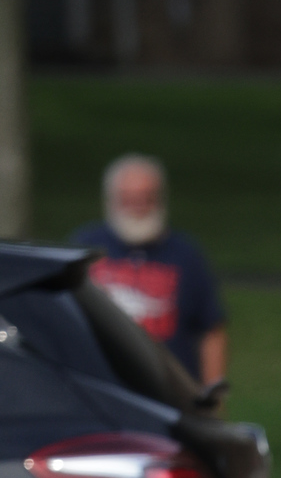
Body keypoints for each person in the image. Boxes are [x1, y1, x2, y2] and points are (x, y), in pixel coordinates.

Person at [71, 155, 227, 388]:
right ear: (112, 200)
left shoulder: (185, 254)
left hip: (172, 392)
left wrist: (213, 397)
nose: (139, 205)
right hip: (103, 389)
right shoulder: (84, 248)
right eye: (129, 198)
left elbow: (212, 330)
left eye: (147, 197)